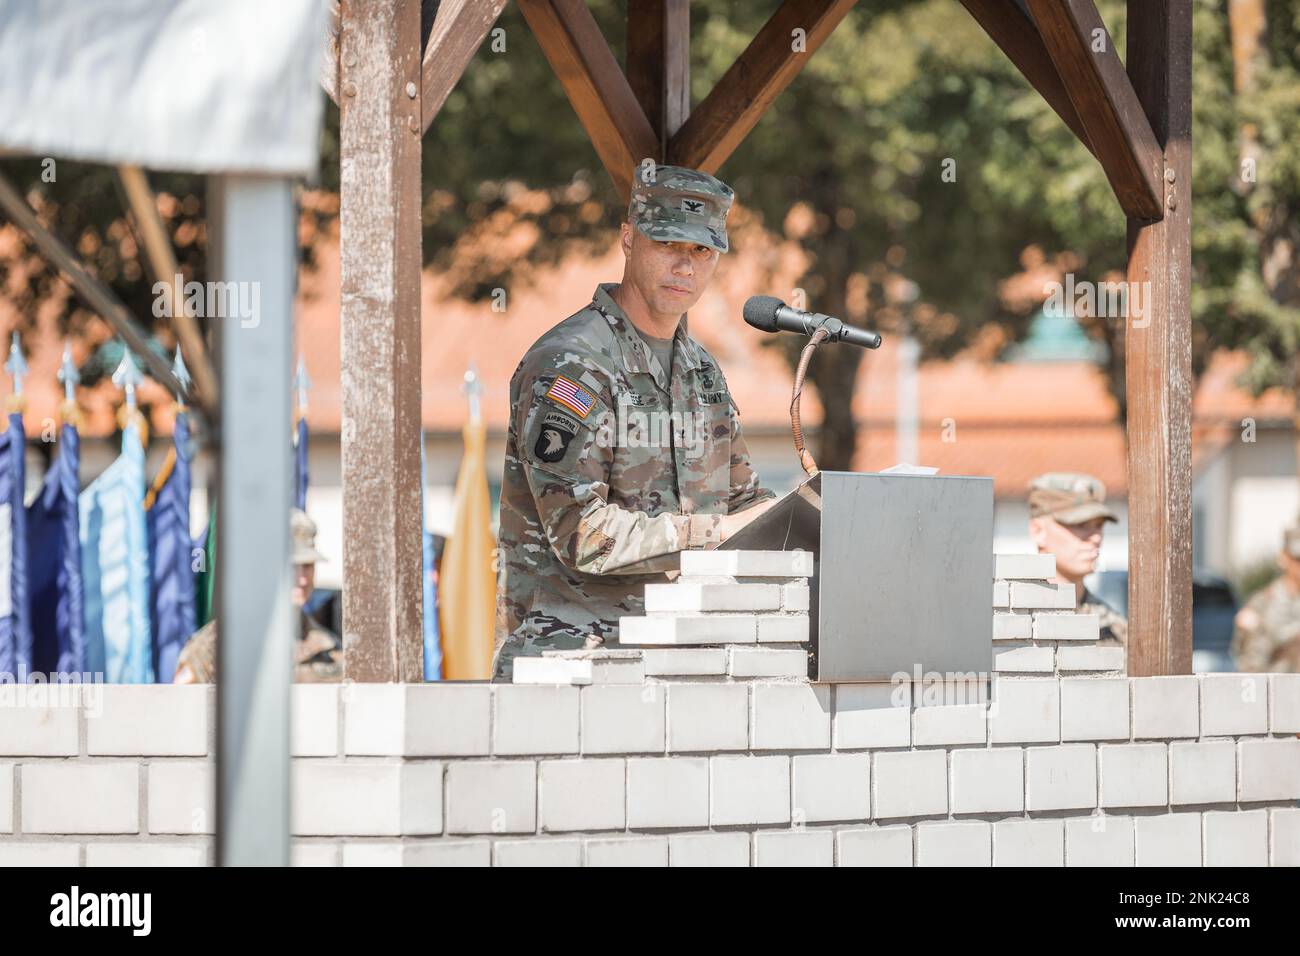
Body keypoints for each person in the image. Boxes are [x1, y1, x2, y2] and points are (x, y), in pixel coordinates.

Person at [491, 164, 778, 681]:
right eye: (669, 245)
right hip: (572, 660)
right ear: (628, 240)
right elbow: (581, 533)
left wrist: (805, 517)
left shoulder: (701, 369)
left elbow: (743, 502)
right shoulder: (572, 364)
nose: (685, 267)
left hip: (685, 653)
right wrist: (712, 534)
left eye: (702, 251)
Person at [174, 509, 342, 683]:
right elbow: (182, 707)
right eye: (291, 566)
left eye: (308, 565)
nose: (302, 579)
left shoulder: (329, 650)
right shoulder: (214, 648)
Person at [1027, 472, 1127, 644]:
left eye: (1098, 525)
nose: (1096, 537)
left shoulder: (1115, 630)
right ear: (1038, 531)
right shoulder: (1008, 621)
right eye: (1079, 524)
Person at [1231, 527, 1300, 672]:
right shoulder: (1262, 604)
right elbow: (1250, 665)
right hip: (1278, 689)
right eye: (1298, 559)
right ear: (1284, 558)